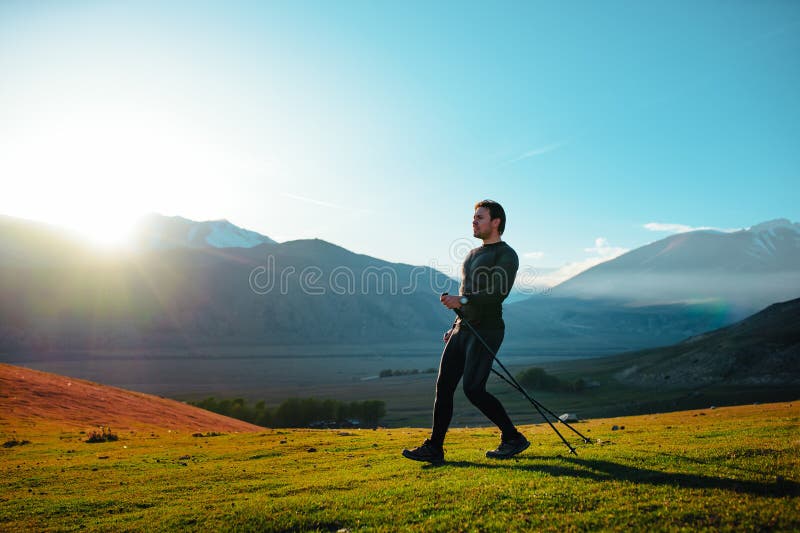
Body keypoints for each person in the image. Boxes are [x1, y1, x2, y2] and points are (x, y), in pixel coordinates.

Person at [402, 200, 529, 464]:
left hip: (488, 329)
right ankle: (434, 447)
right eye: (473, 217)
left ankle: (512, 437)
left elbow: (497, 294)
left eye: (479, 217)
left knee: (473, 389)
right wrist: (454, 325)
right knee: (444, 386)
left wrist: (462, 301)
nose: (474, 221)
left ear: (496, 222)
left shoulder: (506, 255)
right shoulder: (471, 255)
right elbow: (467, 294)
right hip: (463, 328)